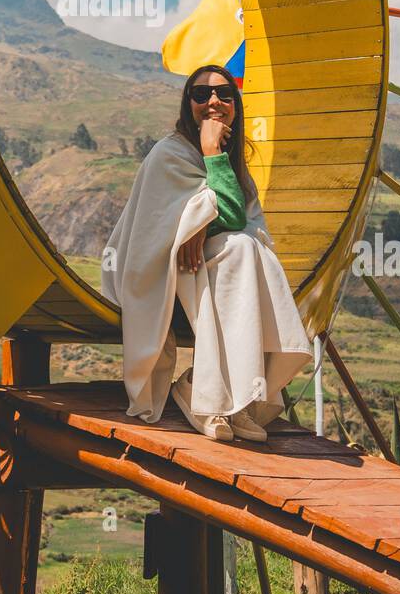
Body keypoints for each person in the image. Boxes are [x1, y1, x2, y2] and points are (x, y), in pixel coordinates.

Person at [101, 63, 312, 442]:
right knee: (240, 248)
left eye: (223, 94)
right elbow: (179, 226)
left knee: (247, 247)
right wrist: (195, 218)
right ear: (188, 105)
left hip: (204, 271)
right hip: (160, 276)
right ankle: (210, 398)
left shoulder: (230, 163)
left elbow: (240, 219)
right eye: (201, 94)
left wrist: (201, 223)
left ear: (235, 105)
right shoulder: (171, 153)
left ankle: (225, 396)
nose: (213, 101)